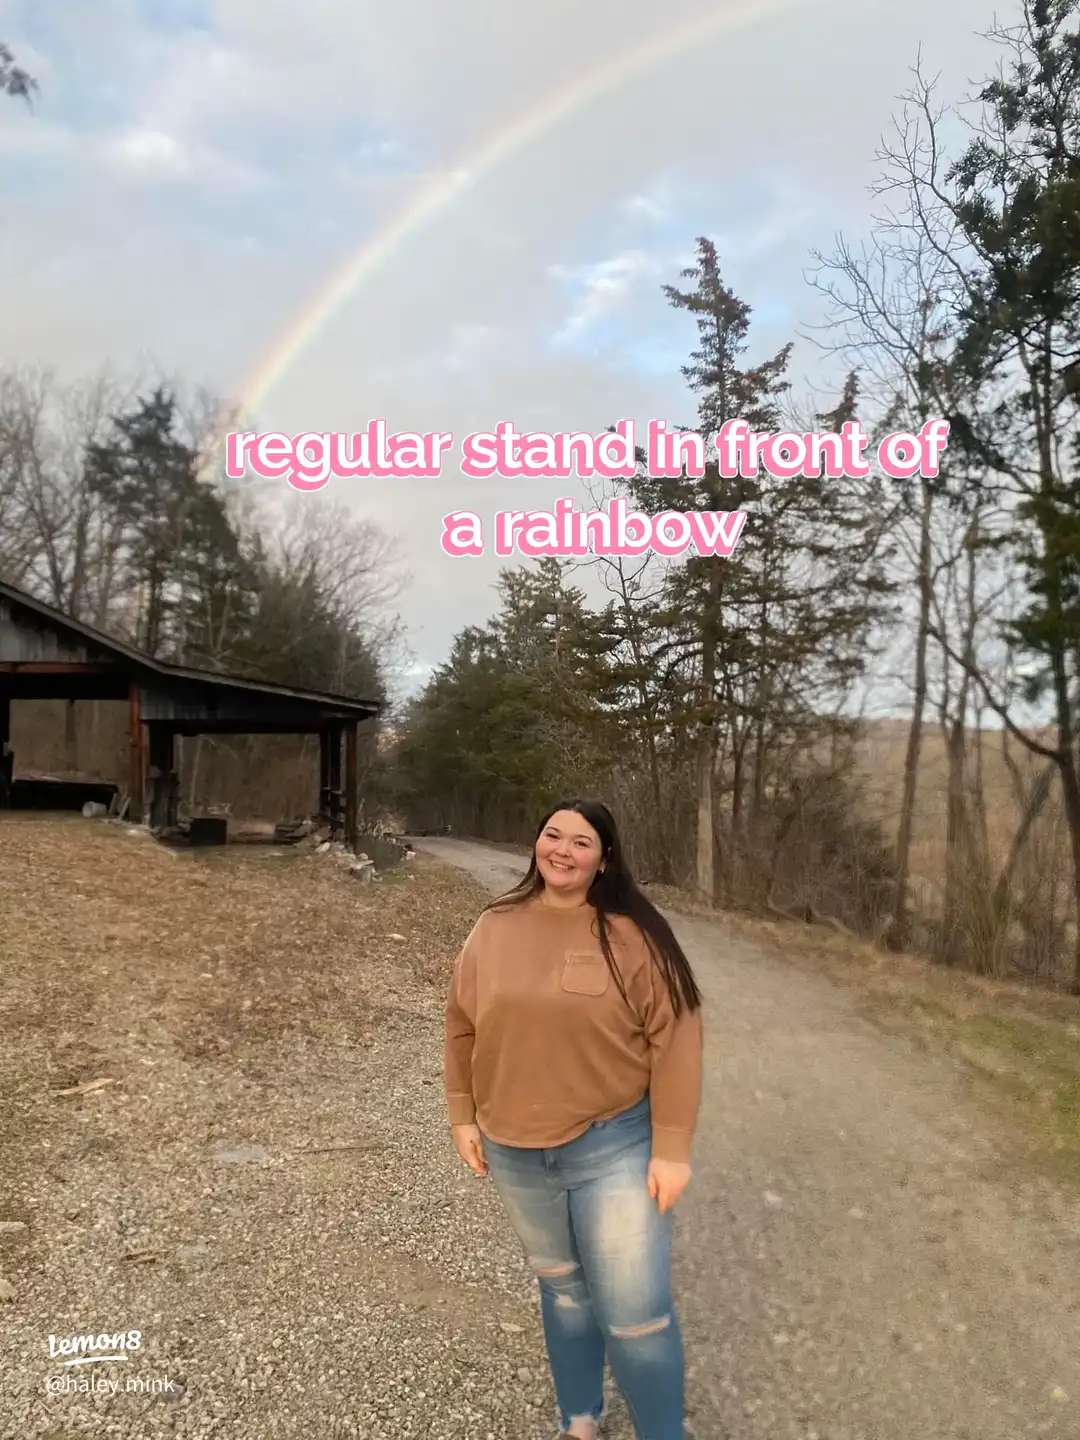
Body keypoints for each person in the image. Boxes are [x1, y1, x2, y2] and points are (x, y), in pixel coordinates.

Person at [443, 799, 704, 1440]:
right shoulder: (495, 924)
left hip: (610, 1142)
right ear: (536, 844)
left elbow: (678, 1038)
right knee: (565, 1293)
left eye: (580, 841)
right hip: (512, 1148)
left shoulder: (631, 934)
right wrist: (462, 1115)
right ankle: (580, 1419)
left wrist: (671, 1148)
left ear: (604, 859)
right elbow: (462, 1023)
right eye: (552, 835)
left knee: (635, 1316)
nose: (563, 849)